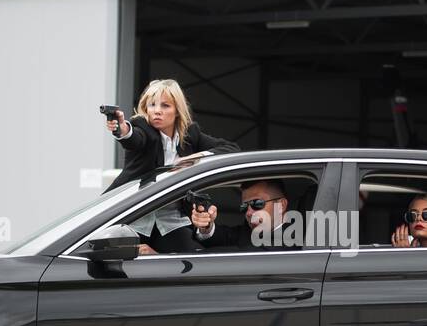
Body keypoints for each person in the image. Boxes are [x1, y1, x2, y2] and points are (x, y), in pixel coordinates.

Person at [103, 79, 238, 254]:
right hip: (133, 217)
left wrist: (197, 157)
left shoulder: (191, 134)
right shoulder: (143, 127)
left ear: (177, 111)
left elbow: (231, 148)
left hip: (170, 221)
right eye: (152, 105)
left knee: (194, 258)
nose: (157, 111)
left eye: (165, 105)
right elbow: (134, 138)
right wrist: (122, 129)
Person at [188, 179, 304, 251]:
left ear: (281, 205)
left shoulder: (298, 239)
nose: (248, 213)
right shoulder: (247, 231)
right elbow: (223, 236)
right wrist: (206, 225)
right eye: (245, 206)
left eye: (257, 204)